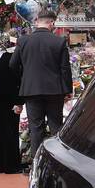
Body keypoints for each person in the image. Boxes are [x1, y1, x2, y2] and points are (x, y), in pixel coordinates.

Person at [11, 8, 72, 159]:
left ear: (37, 21)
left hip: (31, 89)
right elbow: (65, 68)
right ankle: (57, 161)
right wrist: (67, 91)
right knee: (56, 127)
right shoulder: (59, 41)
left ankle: (36, 162)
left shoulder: (24, 40)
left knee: (35, 128)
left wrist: (25, 77)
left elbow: (13, 64)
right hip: (54, 90)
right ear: (52, 23)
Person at [0, 33, 23, 174]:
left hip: (0, 97)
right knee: (12, 130)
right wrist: (19, 101)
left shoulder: (1, 57)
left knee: (1, 129)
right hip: (12, 97)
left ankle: (0, 164)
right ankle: (11, 165)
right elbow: (19, 81)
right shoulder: (16, 60)